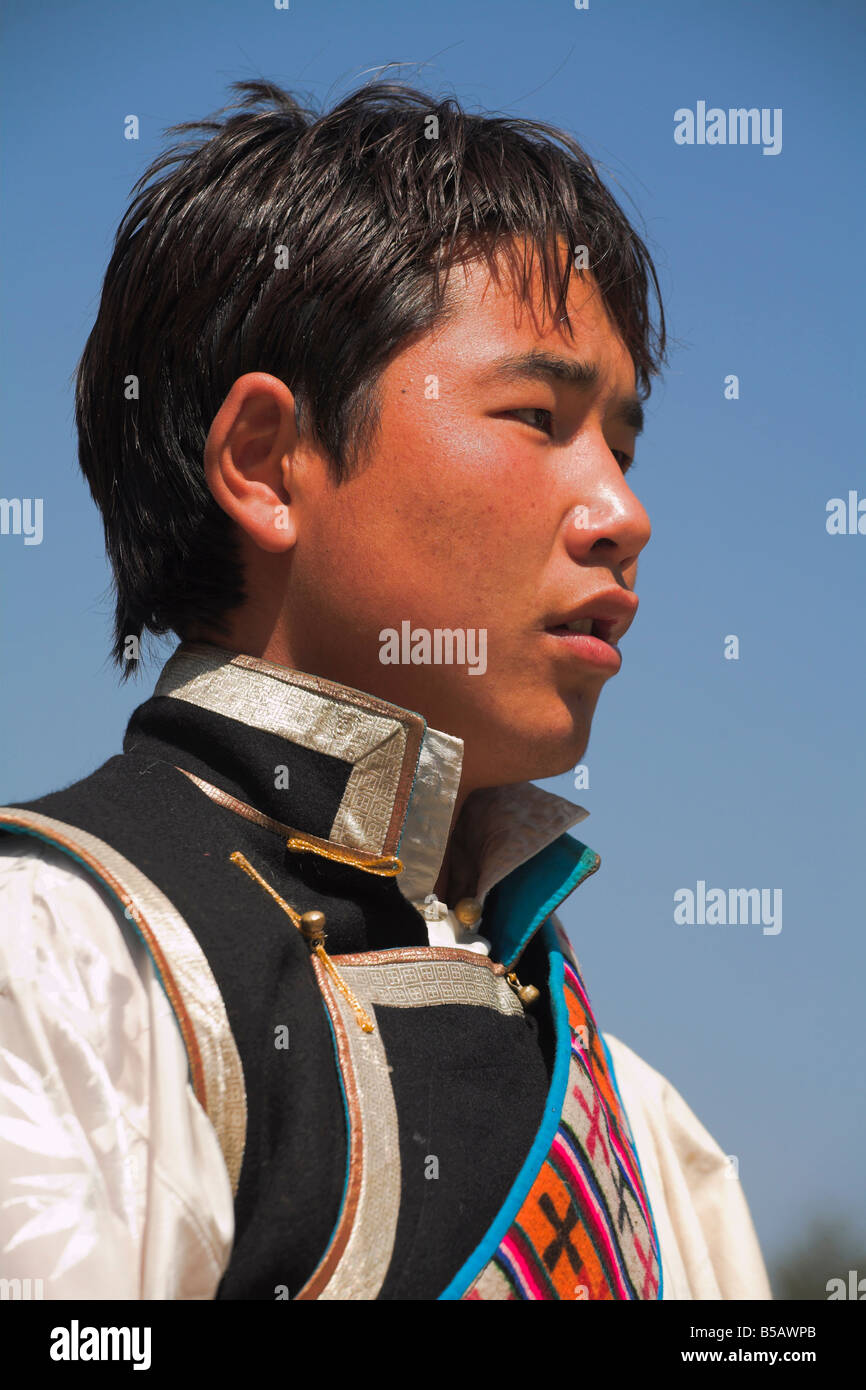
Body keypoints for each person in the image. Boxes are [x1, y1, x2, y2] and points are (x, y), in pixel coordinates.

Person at [0, 79, 771, 1301]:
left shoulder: (643, 1136)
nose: (622, 513)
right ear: (267, 464)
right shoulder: (58, 967)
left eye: (618, 448)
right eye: (535, 415)